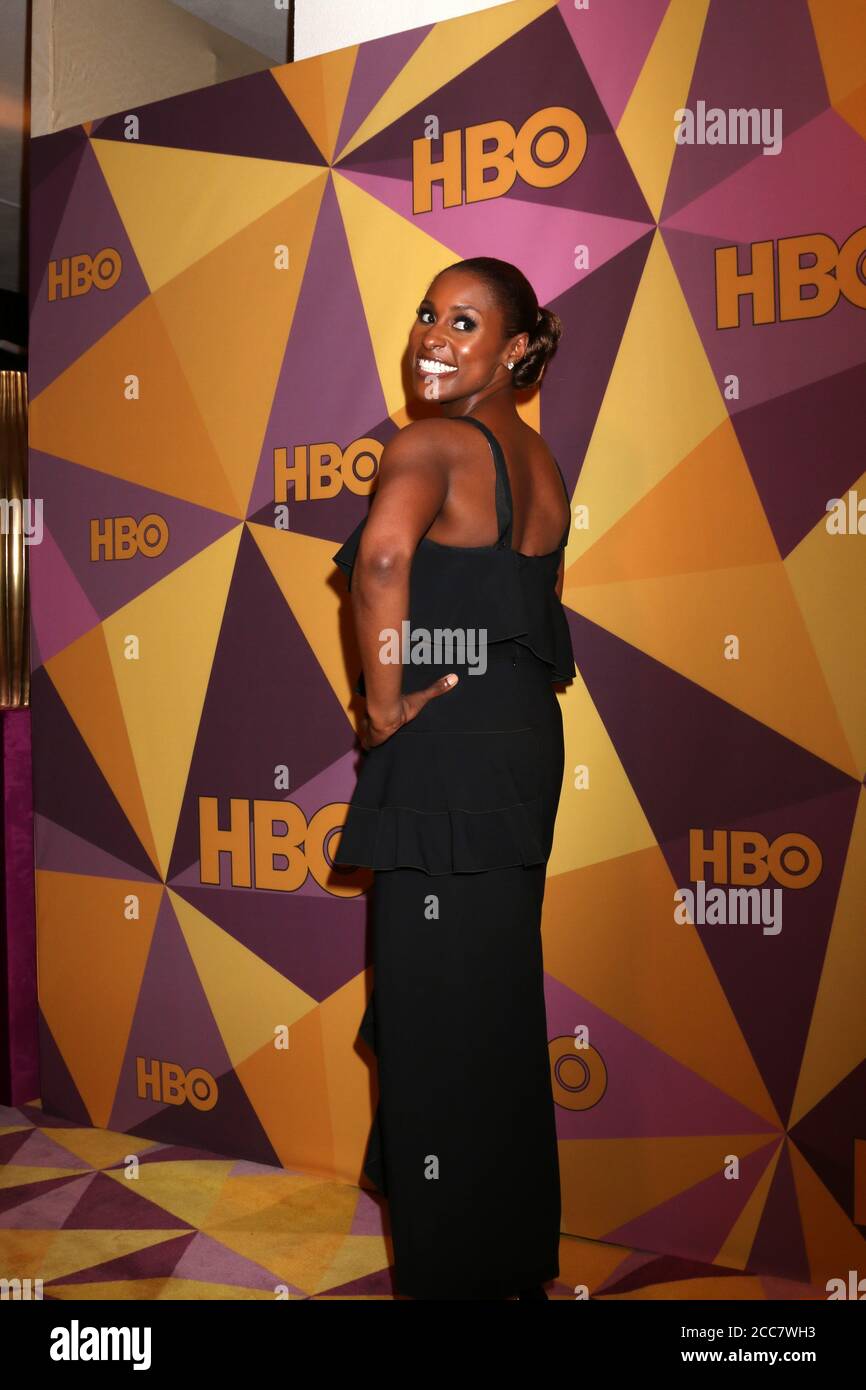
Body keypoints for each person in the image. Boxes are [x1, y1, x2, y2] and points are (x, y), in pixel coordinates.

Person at [331, 256, 575, 1300]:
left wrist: (381, 706)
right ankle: (510, 1266)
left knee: (434, 1035)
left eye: (463, 321)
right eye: (426, 312)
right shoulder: (540, 459)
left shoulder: (429, 441)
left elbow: (384, 561)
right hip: (518, 741)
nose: (431, 334)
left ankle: (445, 1280)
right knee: (494, 1019)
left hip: (445, 753)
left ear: (514, 349)